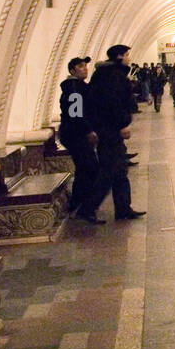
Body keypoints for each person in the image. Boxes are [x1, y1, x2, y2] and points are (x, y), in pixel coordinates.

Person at [86, 44, 146, 220]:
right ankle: (89, 207)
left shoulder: (104, 74)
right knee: (109, 171)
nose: (129, 58)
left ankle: (123, 208)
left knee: (119, 170)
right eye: (127, 55)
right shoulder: (114, 76)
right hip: (110, 130)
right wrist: (122, 124)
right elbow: (114, 103)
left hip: (105, 128)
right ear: (119, 57)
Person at [58, 56, 102, 224]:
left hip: (75, 134)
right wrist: (88, 130)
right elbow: (76, 114)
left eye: (85, 66)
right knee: (91, 168)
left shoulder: (79, 87)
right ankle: (83, 208)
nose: (85, 68)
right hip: (76, 135)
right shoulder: (74, 89)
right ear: (72, 70)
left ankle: (77, 204)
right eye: (81, 66)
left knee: (85, 169)